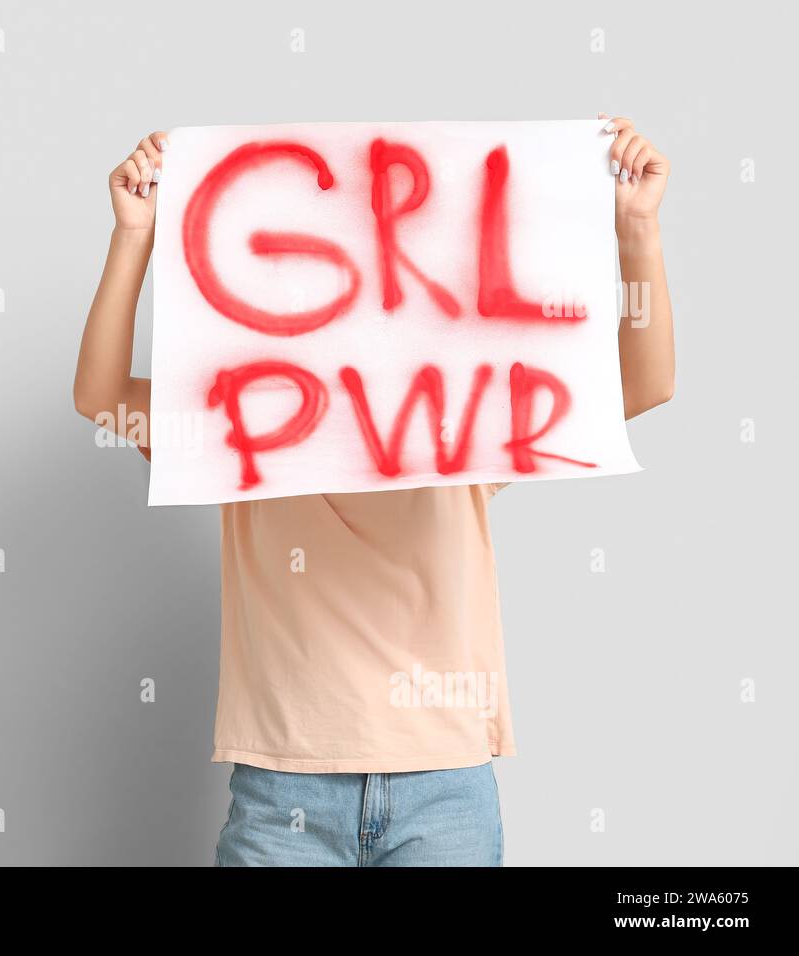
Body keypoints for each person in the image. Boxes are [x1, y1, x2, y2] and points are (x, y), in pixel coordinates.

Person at [73, 116, 674, 867]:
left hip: (445, 787)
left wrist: (638, 230)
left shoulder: (458, 422)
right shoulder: (249, 423)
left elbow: (644, 385)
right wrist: (134, 233)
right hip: (283, 788)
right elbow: (101, 398)